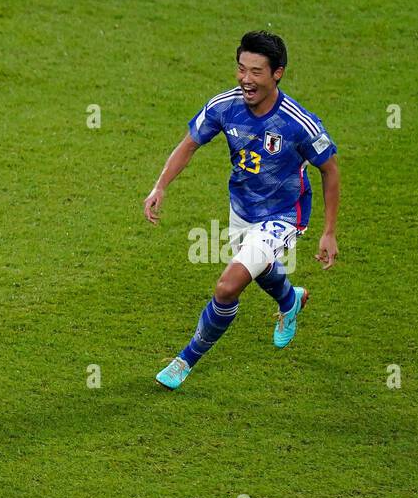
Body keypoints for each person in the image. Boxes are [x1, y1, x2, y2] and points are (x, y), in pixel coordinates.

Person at [144, 31, 340, 390]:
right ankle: (289, 299)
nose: (246, 80)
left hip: (284, 214)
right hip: (241, 210)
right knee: (260, 267)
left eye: (255, 72)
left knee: (227, 286)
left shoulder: (298, 123)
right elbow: (189, 145)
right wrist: (160, 186)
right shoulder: (225, 106)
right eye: (241, 69)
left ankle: (184, 361)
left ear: (277, 73)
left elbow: (329, 169)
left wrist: (328, 231)